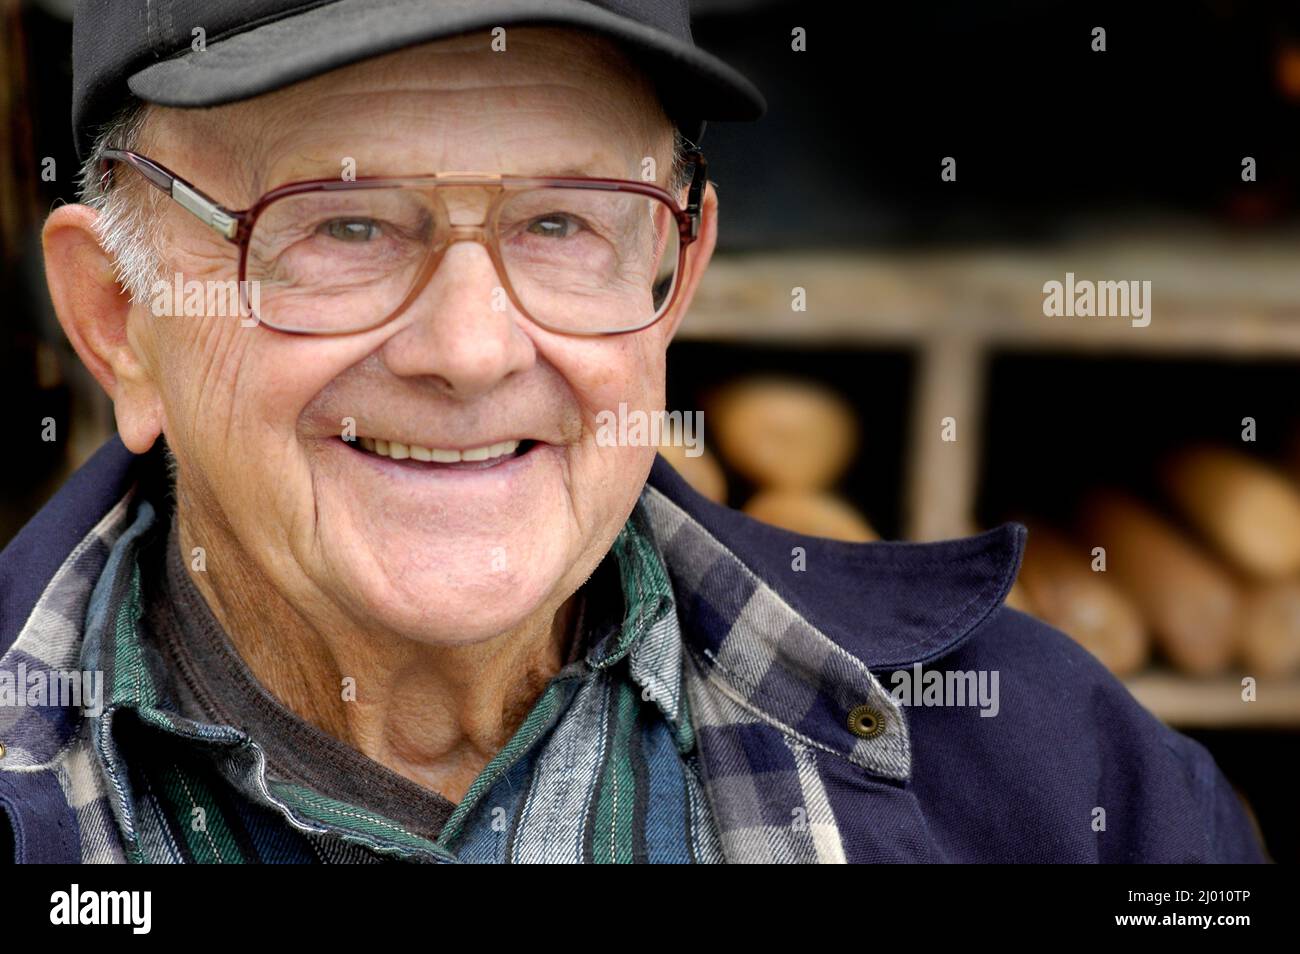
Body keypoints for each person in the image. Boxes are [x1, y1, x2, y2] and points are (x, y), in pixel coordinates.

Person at [0, 0, 1264, 863]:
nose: (472, 348)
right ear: (120, 319)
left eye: (563, 223)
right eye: (341, 225)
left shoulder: (1063, 780)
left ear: (677, 270)